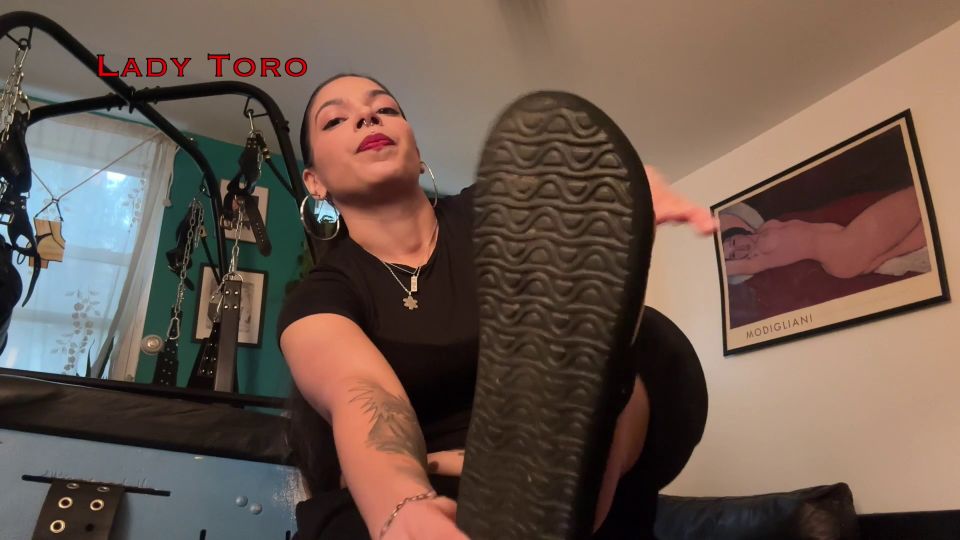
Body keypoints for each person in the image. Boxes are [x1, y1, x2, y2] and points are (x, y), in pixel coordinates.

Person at [278, 74, 714, 540]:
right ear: (314, 182)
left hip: (600, 443)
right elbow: (360, 392)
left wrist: (619, 191)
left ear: (417, 152)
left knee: (629, 357)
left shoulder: (504, 215)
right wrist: (401, 502)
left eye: (385, 109)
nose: (368, 117)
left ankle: (559, 464)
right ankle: (530, 488)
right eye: (336, 120)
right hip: (432, 490)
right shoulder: (322, 295)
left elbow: (576, 181)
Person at [721, 187, 926, 279]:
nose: (738, 250)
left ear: (737, 233)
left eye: (733, 243)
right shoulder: (758, 260)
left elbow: (727, 220)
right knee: (917, 198)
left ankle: (882, 260)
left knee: (921, 221)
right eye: (733, 255)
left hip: (846, 245)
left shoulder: (763, 228)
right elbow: (721, 271)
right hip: (844, 249)